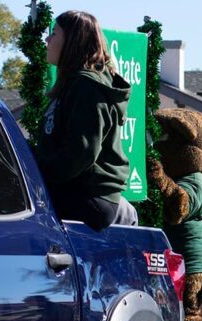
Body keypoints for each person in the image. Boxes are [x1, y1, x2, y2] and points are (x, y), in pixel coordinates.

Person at [35, 10, 133, 231]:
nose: (47, 39)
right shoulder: (73, 85)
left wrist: (38, 176)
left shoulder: (86, 88)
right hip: (79, 193)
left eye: (54, 34)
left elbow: (82, 153)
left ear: (73, 40)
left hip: (89, 198)